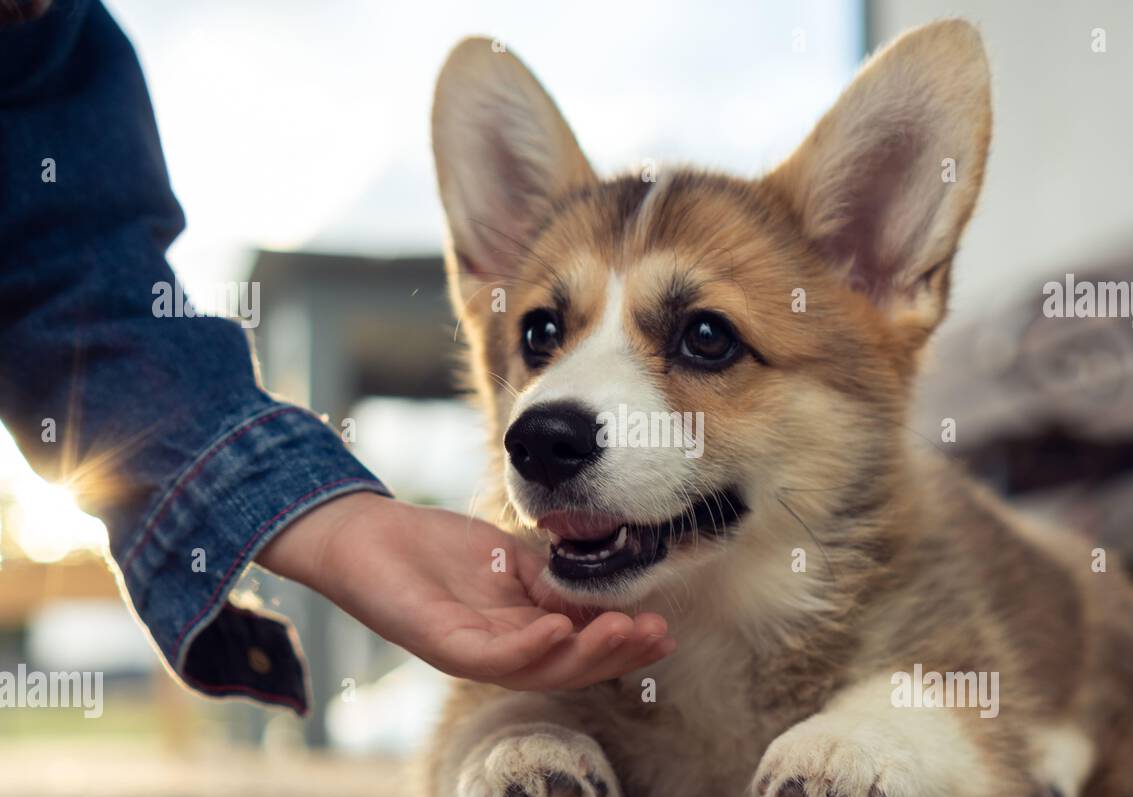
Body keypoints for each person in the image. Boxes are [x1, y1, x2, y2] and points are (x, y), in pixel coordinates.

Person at [0, 0, 673, 716]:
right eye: (542, 335)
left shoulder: (48, 64)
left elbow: (68, 275)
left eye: (702, 340)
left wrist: (335, 520)